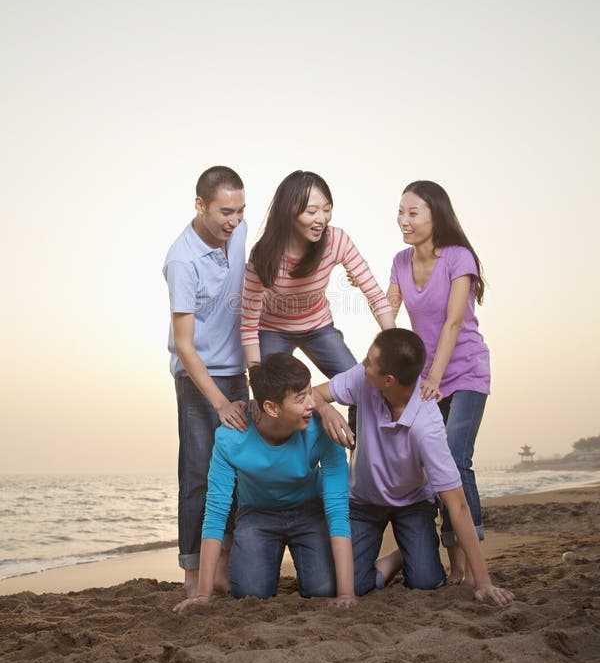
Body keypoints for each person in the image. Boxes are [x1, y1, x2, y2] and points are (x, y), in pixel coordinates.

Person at [314, 329, 513, 606]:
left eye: (370, 361)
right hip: (363, 501)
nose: (363, 364)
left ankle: (409, 551)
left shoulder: (427, 426)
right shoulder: (362, 378)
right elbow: (313, 394)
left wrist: (484, 582)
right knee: (351, 585)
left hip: (412, 504)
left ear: (389, 380)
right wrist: (326, 410)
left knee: (425, 584)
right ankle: (401, 554)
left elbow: (457, 505)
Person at [173, 353, 357, 613]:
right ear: (271, 407)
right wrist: (203, 594)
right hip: (257, 516)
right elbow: (215, 513)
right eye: (301, 398)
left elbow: (338, 509)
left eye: (310, 394)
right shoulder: (231, 438)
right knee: (250, 593)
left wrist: (346, 593)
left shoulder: (322, 430)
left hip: (308, 511)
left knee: (323, 589)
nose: (311, 404)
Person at [386, 180, 491, 585]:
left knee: (455, 457)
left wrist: (433, 377)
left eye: (413, 213)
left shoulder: (458, 258)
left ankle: (472, 558)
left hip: (465, 372)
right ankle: (456, 563)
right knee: (434, 464)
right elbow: (388, 311)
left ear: (435, 216)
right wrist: (383, 360)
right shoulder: (399, 261)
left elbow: (451, 322)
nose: (404, 221)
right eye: (400, 212)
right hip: (425, 379)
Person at [163, 166, 249, 598]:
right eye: (224, 212)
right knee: (198, 474)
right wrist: (219, 403)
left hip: (238, 372)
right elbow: (184, 346)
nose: (233, 221)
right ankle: (194, 576)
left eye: (239, 210)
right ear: (200, 205)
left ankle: (223, 568)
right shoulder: (181, 261)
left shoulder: (240, 230)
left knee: (235, 472)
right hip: (199, 379)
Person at [241, 170, 395, 396]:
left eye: (327, 209)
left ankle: (354, 431)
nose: (321, 219)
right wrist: (255, 373)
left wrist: (395, 343)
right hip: (273, 329)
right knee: (271, 396)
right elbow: (248, 323)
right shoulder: (263, 254)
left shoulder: (336, 240)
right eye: (311, 211)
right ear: (288, 213)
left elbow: (374, 294)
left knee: (362, 387)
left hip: (318, 326)